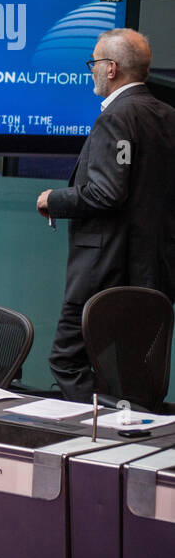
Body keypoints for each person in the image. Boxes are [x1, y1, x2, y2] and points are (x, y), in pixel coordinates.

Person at [37, 29, 175, 400]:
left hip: (102, 275)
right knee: (134, 370)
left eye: (94, 63)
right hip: (153, 273)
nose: (91, 71)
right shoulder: (167, 116)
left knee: (68, 360)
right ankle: (128, 439)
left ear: (111, 68)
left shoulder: (117, 118)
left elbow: (108, 192)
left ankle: (95, 438)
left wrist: (55, 199)